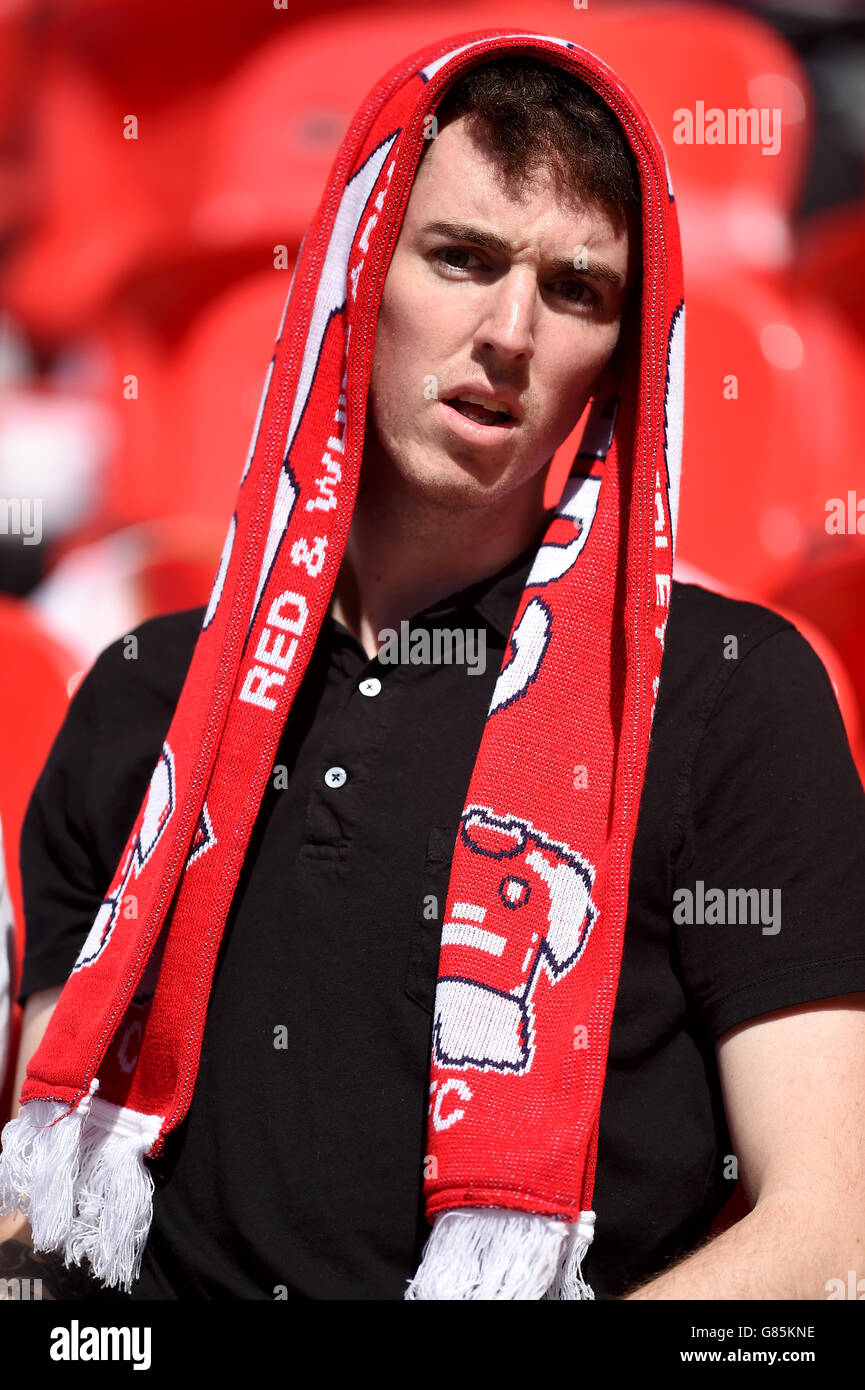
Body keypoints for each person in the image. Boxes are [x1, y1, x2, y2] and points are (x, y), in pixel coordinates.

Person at [3, 33, 865, 1303]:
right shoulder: (147, 696)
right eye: (460, 259)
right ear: (360, 274)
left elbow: (829, 1233)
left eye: (576, 289)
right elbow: (50, 1209)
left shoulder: (729, 693)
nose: (509, 332)